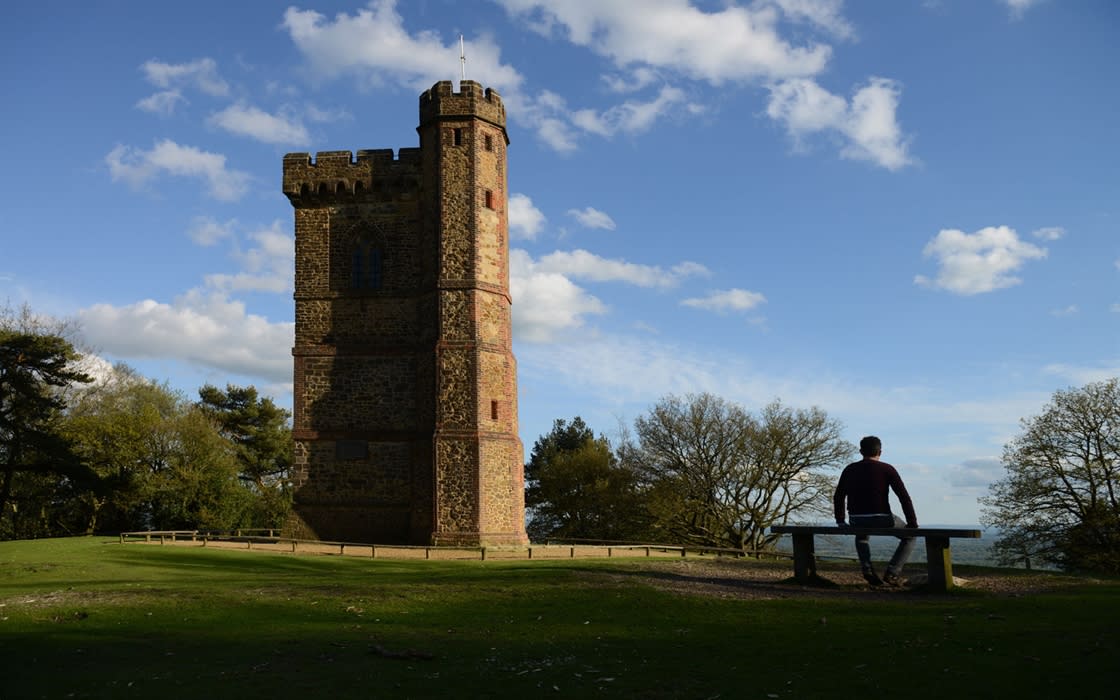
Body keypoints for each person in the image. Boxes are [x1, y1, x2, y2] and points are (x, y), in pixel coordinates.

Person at [833, 436, 918, 587]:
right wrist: (912, 523)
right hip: (882, 517)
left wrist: (840, 520)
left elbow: (839, 496)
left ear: (861, 451)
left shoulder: (850, 469)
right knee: (910, 537)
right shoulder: (887, 469)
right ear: (880, 451)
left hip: (856, 519)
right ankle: (892, 573)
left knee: (861, 536)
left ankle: (867, 570)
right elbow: (904, 497)